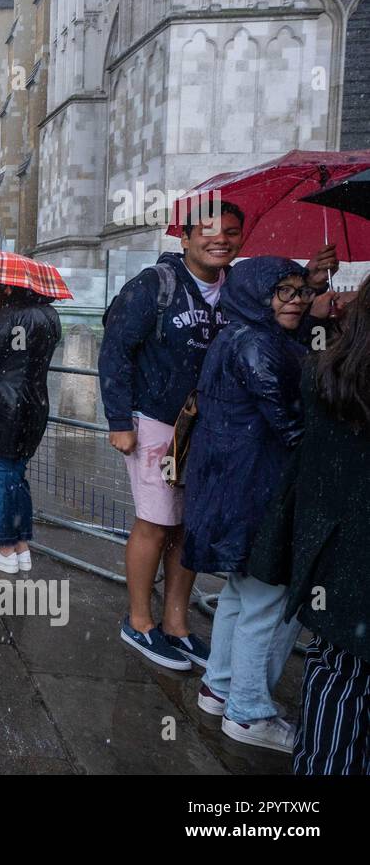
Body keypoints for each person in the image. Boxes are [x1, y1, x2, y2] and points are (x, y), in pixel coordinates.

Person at [101, 196, 339, 671]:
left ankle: (177, 624)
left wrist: (311, 285)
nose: (221, 240)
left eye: (231, 232)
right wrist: (119, 422)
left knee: (190, 524)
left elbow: (282, 332)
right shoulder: (156, 285)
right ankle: (139, 621)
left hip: (212, 431)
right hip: (158, 424)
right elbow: (115, 351)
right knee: (156, 522)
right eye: (208, 230)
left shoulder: (241, 288)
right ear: (184, 236)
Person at [182, 257, 328, 753]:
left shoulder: (241, 335)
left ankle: (218, 688)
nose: (295, 301)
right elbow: (290, 426)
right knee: (270, 604)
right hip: (257, 493)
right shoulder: (257, 345)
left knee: (242, 596)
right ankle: (248, 712)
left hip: (235, 489)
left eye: (299, 291)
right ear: (254, 295)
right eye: (282, 292)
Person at [248, 277, 370, 773]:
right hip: (344, 571)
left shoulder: (326, 374)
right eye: (286, 292)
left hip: (338, 569)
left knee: (337, 696)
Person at [0, 285, 61, 573]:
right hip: (35, 405)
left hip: (2, 408)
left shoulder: (11, 315)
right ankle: (21, 546)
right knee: (17, 476)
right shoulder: (51, 315)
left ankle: (4, 548)